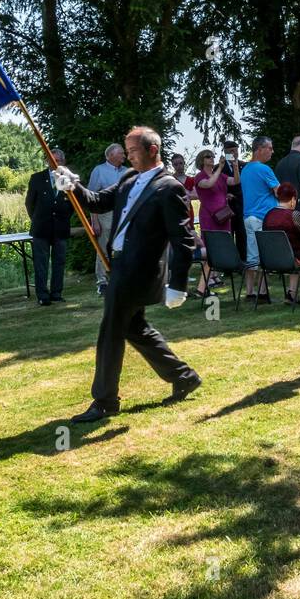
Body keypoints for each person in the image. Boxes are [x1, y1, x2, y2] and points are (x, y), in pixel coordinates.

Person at [57, 126, 200, 422]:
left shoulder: (169, 188)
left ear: (152, 150)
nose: (127, 156)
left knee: (110, 331)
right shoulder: (128, 178)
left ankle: (105, 400)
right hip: (119, 266)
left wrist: (179, 283)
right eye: (126, 151)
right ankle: (183, 376)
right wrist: (72, 186)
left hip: (141, 272)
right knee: (134, 328)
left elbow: (183, 239)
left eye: (132, 151)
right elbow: (98, 202)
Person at [25, 148, 75, 306]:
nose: (55, 163)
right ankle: (42, 295)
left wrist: (64, 217)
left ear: (63, 161)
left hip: (60, 227)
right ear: (47, 161)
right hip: (41, 228)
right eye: (52, 160)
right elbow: (29, 203)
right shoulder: (37, 178)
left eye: (58, 160)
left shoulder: (69, 179)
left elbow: (73, 205)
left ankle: (56, 293)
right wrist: (37, 219)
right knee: (41, 263)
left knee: (59, 262)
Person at [240, 136, 280, 302]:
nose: (272, 151)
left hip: (249, 216)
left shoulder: (246, 169)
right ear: (259, 149)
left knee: (252, 257)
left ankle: (250, 292)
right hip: (263, 217)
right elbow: (279, 192)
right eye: (269, 148)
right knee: (265, 256)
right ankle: (262, 293)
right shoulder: (264, 169)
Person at [88, 144, 128, 297]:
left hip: (124, 216)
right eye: (121, 153)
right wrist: (94, 221)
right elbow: (92, 198)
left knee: (122, 248)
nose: (124, 156)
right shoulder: (99, 171)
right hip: (105, 215)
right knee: (103, 249)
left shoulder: (126, 171)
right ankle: (102, 283)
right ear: (110, 155)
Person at [191, 149, 232, 291]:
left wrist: (236, 166)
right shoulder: (199, 177)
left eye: (212, 156)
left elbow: (235, 181)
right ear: (202, 160)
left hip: (223, 215)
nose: (212, 158)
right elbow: (209, 184)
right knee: (209, 247)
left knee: (220, 246)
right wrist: (219, 168)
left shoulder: (219, 175)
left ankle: (214, 275)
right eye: (208, 156)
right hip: (209, 216)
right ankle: (206, 281)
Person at [220, 139, 246, 261]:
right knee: (229, 233)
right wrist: (226, 194)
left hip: (242, 204)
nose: (234, 154)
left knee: (242, 233)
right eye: (231, 151)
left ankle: (242, 260)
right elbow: (218, 185)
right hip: (227, 206)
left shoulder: (244, 166)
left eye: (236, 151)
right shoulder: (219, 168)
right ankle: (229, 261)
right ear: (225, 153)